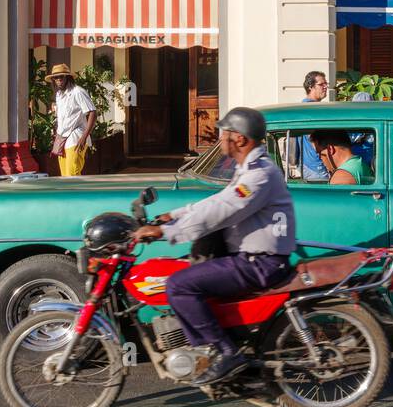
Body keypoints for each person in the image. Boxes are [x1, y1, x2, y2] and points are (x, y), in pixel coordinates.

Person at [133, 107, 296, 384]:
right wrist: (174, 215)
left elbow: (222, 210)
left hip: (258, 263)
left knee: (179, 285)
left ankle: (225, 352)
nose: (220, 138)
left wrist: (164, 231)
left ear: (240, 139)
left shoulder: (259, 175)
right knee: (187, 268)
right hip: (251, 258)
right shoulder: (249, 169)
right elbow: (217, 200)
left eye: (225, 133)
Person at [46, 63, 96, 177]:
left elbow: (93, 112)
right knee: (64, 177)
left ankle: (80, 195)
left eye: (61, 76)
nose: (58, 80)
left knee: (73, 174)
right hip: (62, 138)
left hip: (76, 137)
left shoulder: (78, 92)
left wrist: (84, 137)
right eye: (55, 77)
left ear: (68, 77)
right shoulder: (59, 95)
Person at [297, 70, 329, 181]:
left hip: (311, 166)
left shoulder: (306, 108)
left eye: (326, 84)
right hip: (316, 167)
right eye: (321, 84)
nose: (325, 87)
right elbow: (314, 140)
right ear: (310, 87)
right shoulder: (311, 110)